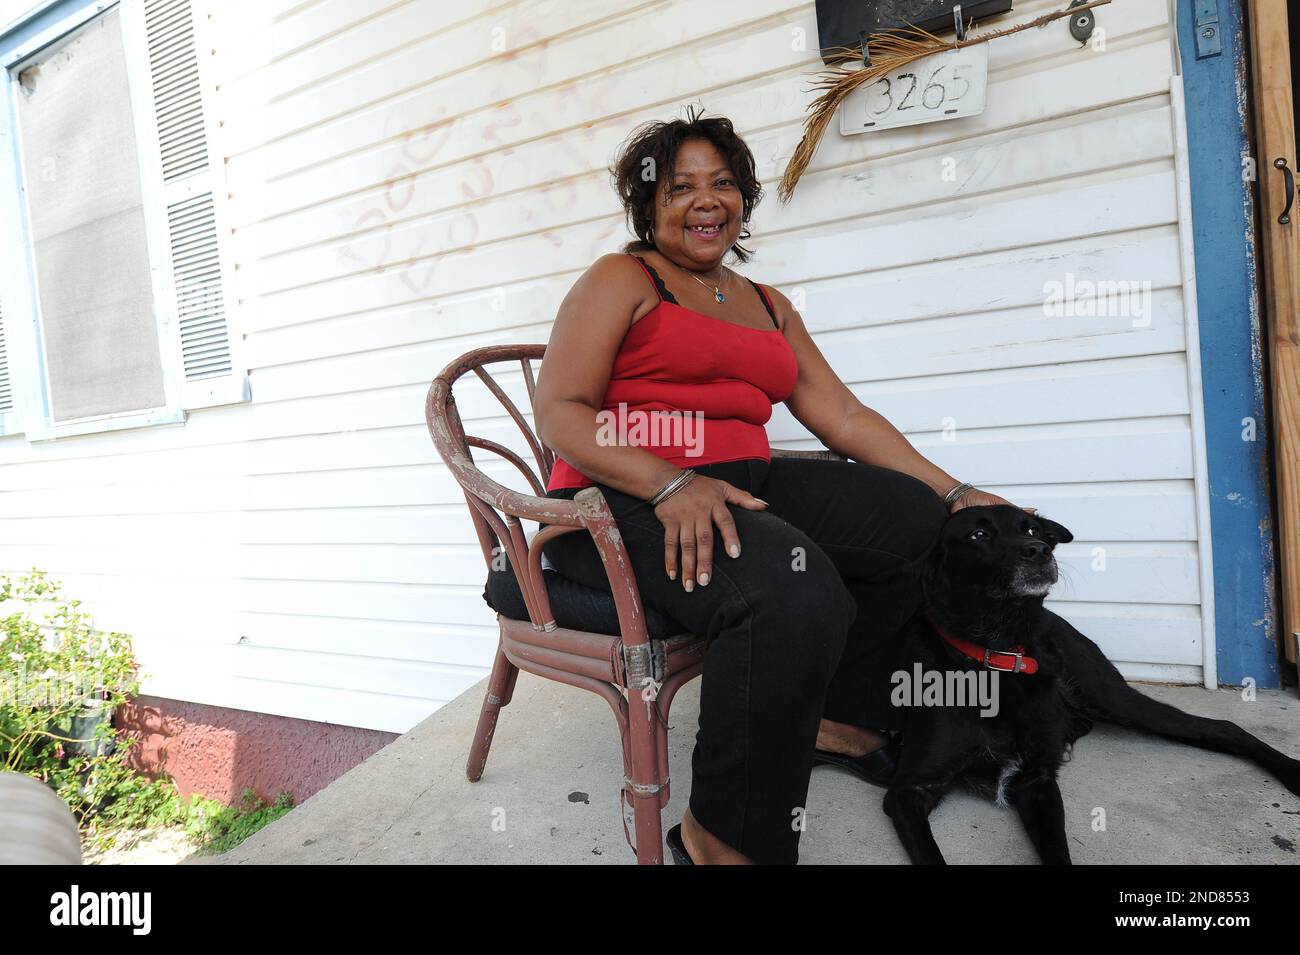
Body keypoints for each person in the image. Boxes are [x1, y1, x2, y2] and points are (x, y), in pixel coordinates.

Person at [532, 107, 1033, 865]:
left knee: (915, 520)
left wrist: (955, 490)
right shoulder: (621, 279)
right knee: (792, 591)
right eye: (680, 188)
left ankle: (835, 713)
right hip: (617, 498)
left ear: (744, 198)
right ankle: (721, 837)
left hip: (741, 483)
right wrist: (671, 484)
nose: (706, 201)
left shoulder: (768, 304)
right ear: (648, 204)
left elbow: (841, 412)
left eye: (723, 183)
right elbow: (560, 411)